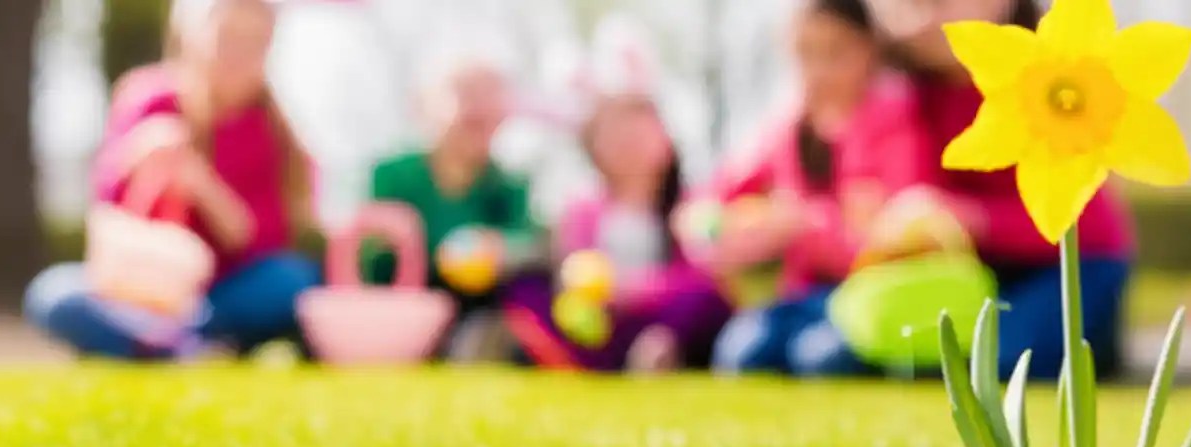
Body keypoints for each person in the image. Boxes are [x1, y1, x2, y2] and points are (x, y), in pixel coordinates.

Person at [25, 0, 321, 359]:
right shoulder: (150, 99)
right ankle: (182, 345)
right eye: (226, 37)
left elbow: (263, 241)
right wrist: (137, 158)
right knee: (53, 292)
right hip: (139, 290)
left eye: (254, 42)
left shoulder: (272, 132)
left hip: (217, 293)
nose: (238, 54)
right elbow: (108, 213)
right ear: (192, 35)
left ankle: (164, 343)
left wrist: (201, 185)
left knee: (293, 279)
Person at [861, 0, 1135, 379]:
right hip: (983, 270)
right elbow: (915, 197)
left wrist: (973, 218)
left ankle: (1094, 350)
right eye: (908, 5)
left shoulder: (1049, 71)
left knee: (1006, 359)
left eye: (937, 3)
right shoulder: (903, 100)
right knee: (936, 354)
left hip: (1073, 266)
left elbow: (1089, 227)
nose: (924, 19)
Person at [707, 0, 928, 376]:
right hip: (804, 295)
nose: (820, 70)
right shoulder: (788, 128)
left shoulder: (896, 123)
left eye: (835, 53)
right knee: (741, 353)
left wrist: (805, 228)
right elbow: (721, 194)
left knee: (821, 358)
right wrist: (723, 228)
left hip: (873, 291)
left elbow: (905, 233)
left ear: (869, 49)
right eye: (805, 54)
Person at [504, 22, 732, 373]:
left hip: (661, 319)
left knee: (704, 300)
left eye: (639, 133)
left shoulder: (687, 205)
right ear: (595, 150)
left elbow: (700, 272)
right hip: (602, 316)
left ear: (666, 143)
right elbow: (570, 266)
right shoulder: (583, 209)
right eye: (616, 136)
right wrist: (591, 288)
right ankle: (571, 355)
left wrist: (638, 289)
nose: (629, 145)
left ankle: (656, 355)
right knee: (528, 290)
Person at [362, 51, 540, 363]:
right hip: (404, 301)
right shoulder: (393, 175)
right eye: (469, 94)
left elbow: (528, 241)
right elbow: (369, 253)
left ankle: (482, 341)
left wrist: (501, 249)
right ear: (428, 105)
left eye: (492, 96)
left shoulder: (508, 185)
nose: (482, 107)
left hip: (475, 302)